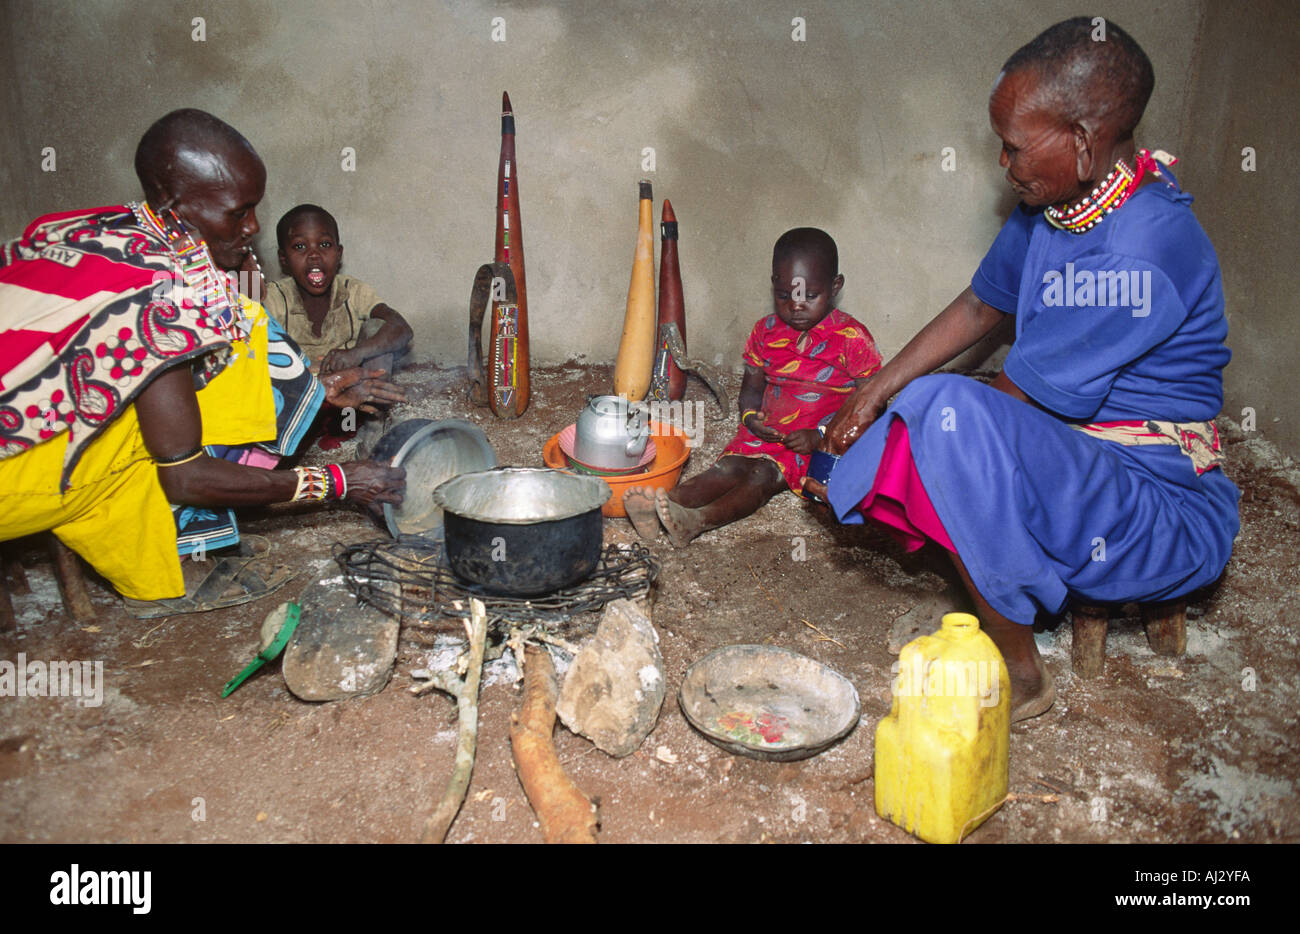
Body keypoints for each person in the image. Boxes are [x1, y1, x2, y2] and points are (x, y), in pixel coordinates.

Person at [810, 18, 1239, 722]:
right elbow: (984, 304)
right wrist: (871, 391)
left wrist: (895, 430)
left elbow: (1013, 409)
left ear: (1083, 139)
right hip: (1089, 465)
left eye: (1013, 147)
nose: (1003, 164)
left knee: (944, 421)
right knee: (926, 419)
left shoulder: (1138, 253)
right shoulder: (1059, 207)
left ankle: (1020, 668)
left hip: (1158, 511)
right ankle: (995, 601)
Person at [0, 109, 407, 617]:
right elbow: (185, 476)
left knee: (245, 323)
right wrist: (339, 482)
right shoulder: (159, 300)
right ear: (175, 201)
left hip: (29, 415)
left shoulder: (119, 228)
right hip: (16, 472)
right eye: (238, 212)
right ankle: (165, 538)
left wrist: (316, 392)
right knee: (164, 449)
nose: (253, 226)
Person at [625, 228, 882, 546]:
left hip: (814, 441)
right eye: (785, 295)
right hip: (767, 431)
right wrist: (749, 417)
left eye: (809, 296)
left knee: (761, 477)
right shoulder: (765, 331)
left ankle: (696, 522)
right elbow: (751, 385)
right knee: (726, 468)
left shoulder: (852, 339)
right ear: (774, 285)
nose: (795, 307)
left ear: (835, 286)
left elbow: (872, 399)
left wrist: (821, 434)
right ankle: (662, 506)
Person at [260, 204, 413, 377]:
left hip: (354, 386)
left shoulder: (353, 291)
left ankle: (375, 399)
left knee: (378, 328)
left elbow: (402, 328)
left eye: (325, 244)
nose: (314, 255)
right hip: (297, 391)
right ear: (284, 259)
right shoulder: (274, 298)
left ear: (339, 253)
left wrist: (357, 354)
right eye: (300, 246)